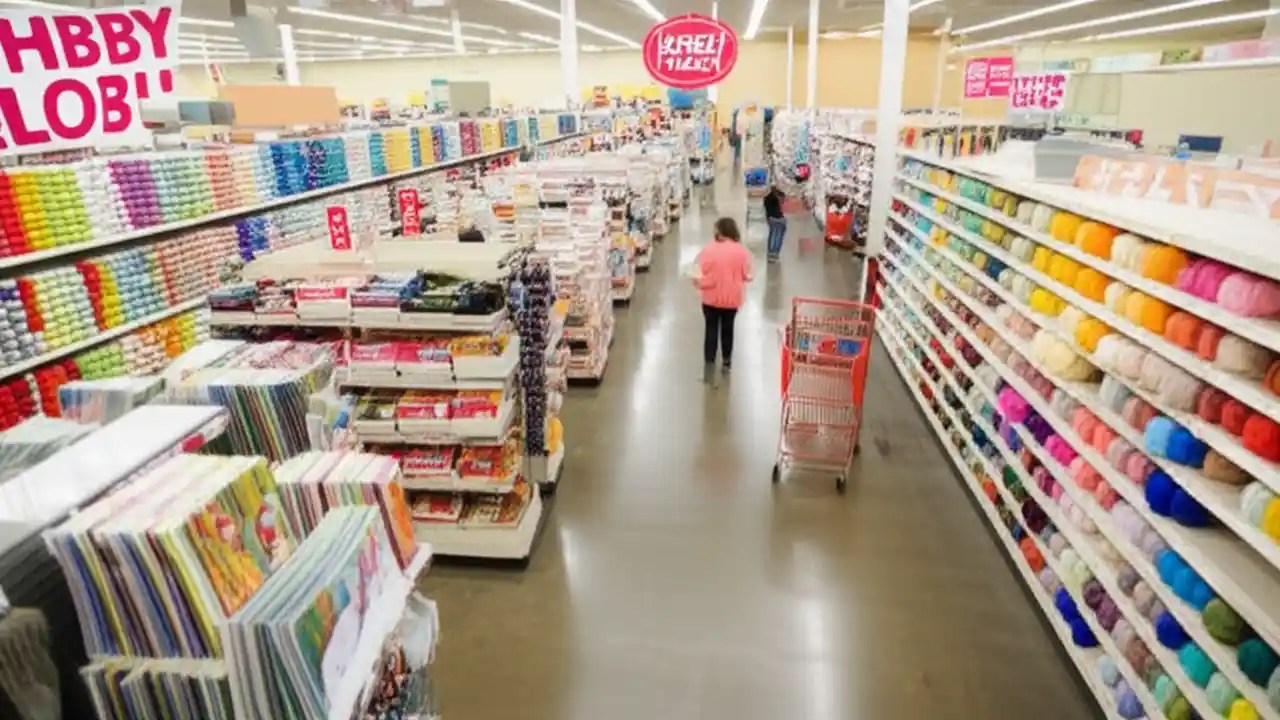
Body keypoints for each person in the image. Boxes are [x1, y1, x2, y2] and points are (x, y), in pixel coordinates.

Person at [693, 217, 754, 382]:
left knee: (710, 329)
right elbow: (748, 275)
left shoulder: (708, 250)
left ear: (719, 231)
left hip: (710, 298)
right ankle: (727, 362)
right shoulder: (741, 252)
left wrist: (697, 282)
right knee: (728, 329)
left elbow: (698, 272)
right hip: (731, 299)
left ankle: (709, 361)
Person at [764, 185, 786, 262]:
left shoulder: (766, 198)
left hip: (771, 219)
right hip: (779, 219)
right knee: (778, 236)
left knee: (772, 235)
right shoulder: (778, 197)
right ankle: (775, 253)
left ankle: (770, 253)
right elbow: (782, 204)